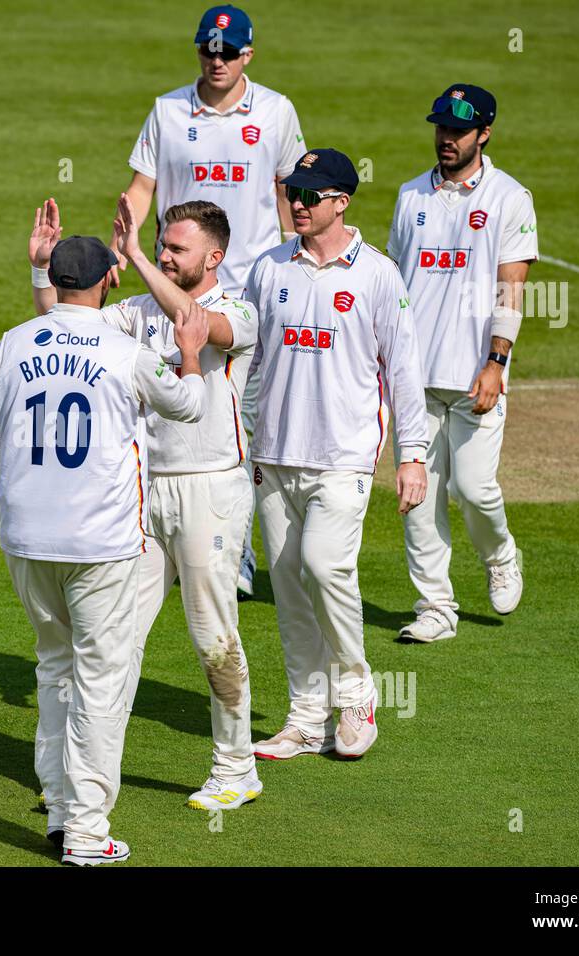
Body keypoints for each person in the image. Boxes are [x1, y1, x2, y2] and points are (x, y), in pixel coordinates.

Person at [0, 236, 209, 864]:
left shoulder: (13, 342)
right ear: (107, 282)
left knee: (54, 666)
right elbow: (189, 405)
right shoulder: (125, 350)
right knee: (101, 680)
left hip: (25, 537)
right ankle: (85, 829)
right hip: (102, 543)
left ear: (54, 277)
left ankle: (57, 805)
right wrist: (188, 354)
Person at [28, 196, 261, 810]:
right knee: (116, 638)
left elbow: (198, 323)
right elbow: (67, 324)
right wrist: (43, 270)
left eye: (175, 248)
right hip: (141, 492)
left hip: (211, 489)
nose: (162, 254)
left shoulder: (238, 309)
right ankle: (90, 780)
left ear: (214, 256)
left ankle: (236, 767)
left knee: (213, 635)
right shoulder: (133, 311)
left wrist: (129, 253)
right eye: (158, 244)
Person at [118, 3, 310, 597]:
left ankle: (237, 549)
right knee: (169, 401)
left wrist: (299, 260)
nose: (217, 60)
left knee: (242, 413)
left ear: (248, 55)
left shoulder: (275, 111)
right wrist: (126, 244)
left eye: (228, 53)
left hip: (248, 289)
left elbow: (286, 192)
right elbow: (142, 186)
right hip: (176, 279)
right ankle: (164, 533)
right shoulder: (168, 110)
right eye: (208, 50)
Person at [243, 151, 429, 761]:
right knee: (290, 588)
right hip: (273, 455)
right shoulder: (270, 268)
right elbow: (248, 359)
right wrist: (239, 443)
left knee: (325, 567)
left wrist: (413, 455)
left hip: (344, 456)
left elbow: (403, 370)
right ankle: (304, 719)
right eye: (294, 192)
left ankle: (355, 693)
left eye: (311, 195)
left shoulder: (377, 274)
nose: (298, 203)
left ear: (341, 202)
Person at [387, 85, 538, 643]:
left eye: (458, 130)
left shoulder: (509, 197)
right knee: (417, 494)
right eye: (440, 128)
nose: (446, 139)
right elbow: (396, 286)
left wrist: (497, 361)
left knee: (474, 489)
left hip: (477, 372)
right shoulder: (410, 196)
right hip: (414, 376)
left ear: (484, 134)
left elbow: (512, 285)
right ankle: (435, 608)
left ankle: (500, 556)